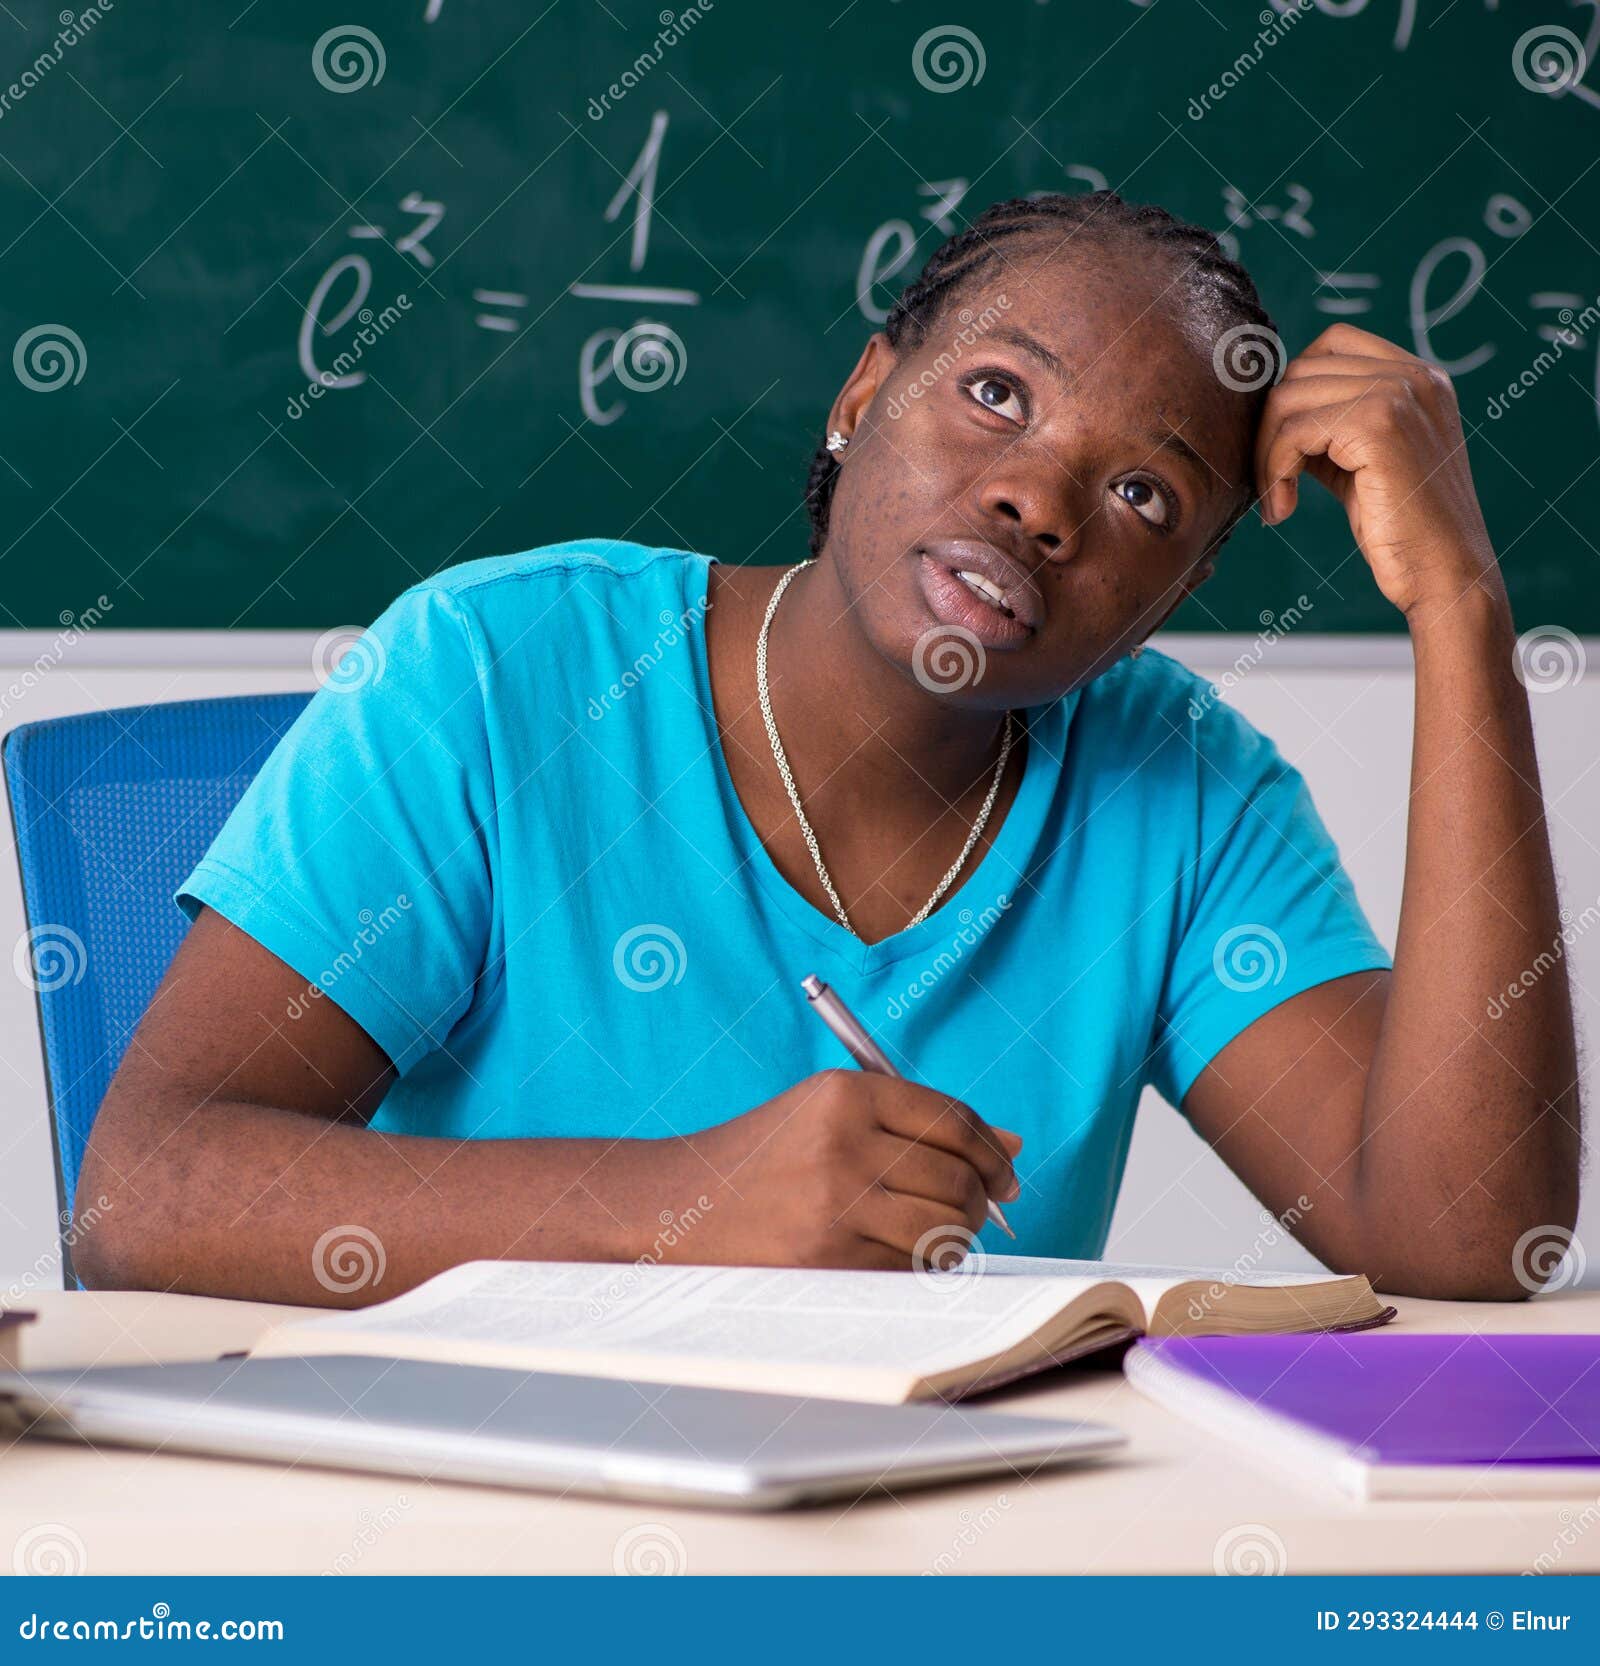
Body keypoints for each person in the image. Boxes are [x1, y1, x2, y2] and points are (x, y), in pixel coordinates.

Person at [75, 192, 1578, 1306]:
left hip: (923, 1545)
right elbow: (145, 1196)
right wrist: (682, 1201)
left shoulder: (1185, 790)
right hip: (472, 1523)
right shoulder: (495, 670)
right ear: (863, 396)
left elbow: (1467, 1242)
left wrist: (1461, 606)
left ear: (1171, 602)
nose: (1038, 499)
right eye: (997, 392)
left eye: (1145, 501)